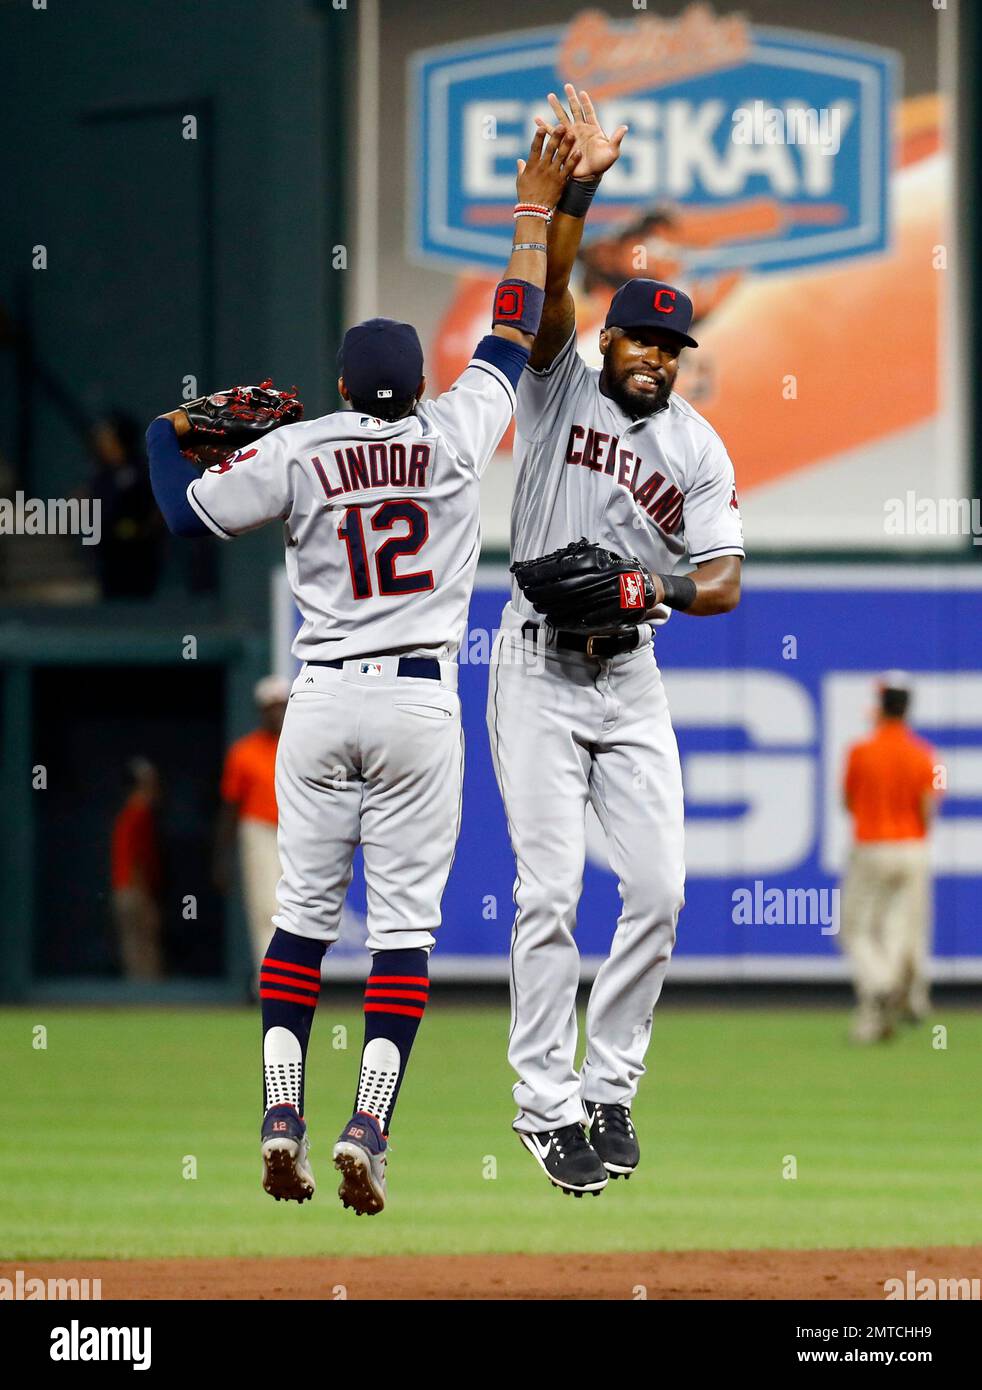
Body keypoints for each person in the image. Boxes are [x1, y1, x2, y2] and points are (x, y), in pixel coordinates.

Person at [146, 126, 579, 1215]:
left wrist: (169, 430)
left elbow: (181, 516)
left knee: (298, 920)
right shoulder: (456, 427)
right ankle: (367, 1128)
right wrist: (534, 211)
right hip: (420, 704)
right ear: (420, 380)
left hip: (321, 693)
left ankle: (280, 1108)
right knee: (401, 937)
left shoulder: (300, 447)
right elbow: (515, 325)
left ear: (340, 383)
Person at [487, 87, 745, 1196]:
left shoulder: (695, 446)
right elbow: (545, 289)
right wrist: (576, 188)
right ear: (610, 335)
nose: (653, 353)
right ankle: (544, 1106)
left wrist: (650, 583)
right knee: (547, 895)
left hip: (629, 674)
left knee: (660, 890)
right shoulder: (555, 387)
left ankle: (609, 1088)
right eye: (639, 334)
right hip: (536, 667)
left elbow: (725, 581)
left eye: (669, 342)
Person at [840, 673, 940, 1043]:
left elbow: (848, 802)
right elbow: (930, 806)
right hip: (914, 848)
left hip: (871, 846)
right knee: (899, 930)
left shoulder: (861, 751)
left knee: (855, 930)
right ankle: (898, 1000)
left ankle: (883, 986)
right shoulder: (924, 753)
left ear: (880, 707)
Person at [215, 675, 289, 981]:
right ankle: (270, 985)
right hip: (258, 830)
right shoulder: (244, 751)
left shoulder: (303, 745)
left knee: (297, 909)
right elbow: (230, 807)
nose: (277, 713)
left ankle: (299, 984)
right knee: (265, 909)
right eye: (270, 707)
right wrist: (222, 856)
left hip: (298, 830)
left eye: (282, 706)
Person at [86, 412, 163, 598]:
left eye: (108, 437)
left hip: (139, 558)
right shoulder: (101, 475)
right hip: (108, 558)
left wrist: (143, 530)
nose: (102, 442)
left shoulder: (142, 470)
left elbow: (156, 512)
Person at [110, 758, 164, 979]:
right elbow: (138, 860)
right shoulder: (138, 812)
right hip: (134, 889)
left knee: (137, 945)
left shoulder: (132, 812)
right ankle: (145, 1001)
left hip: (127, 888)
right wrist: (145, 896)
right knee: (141, 947)